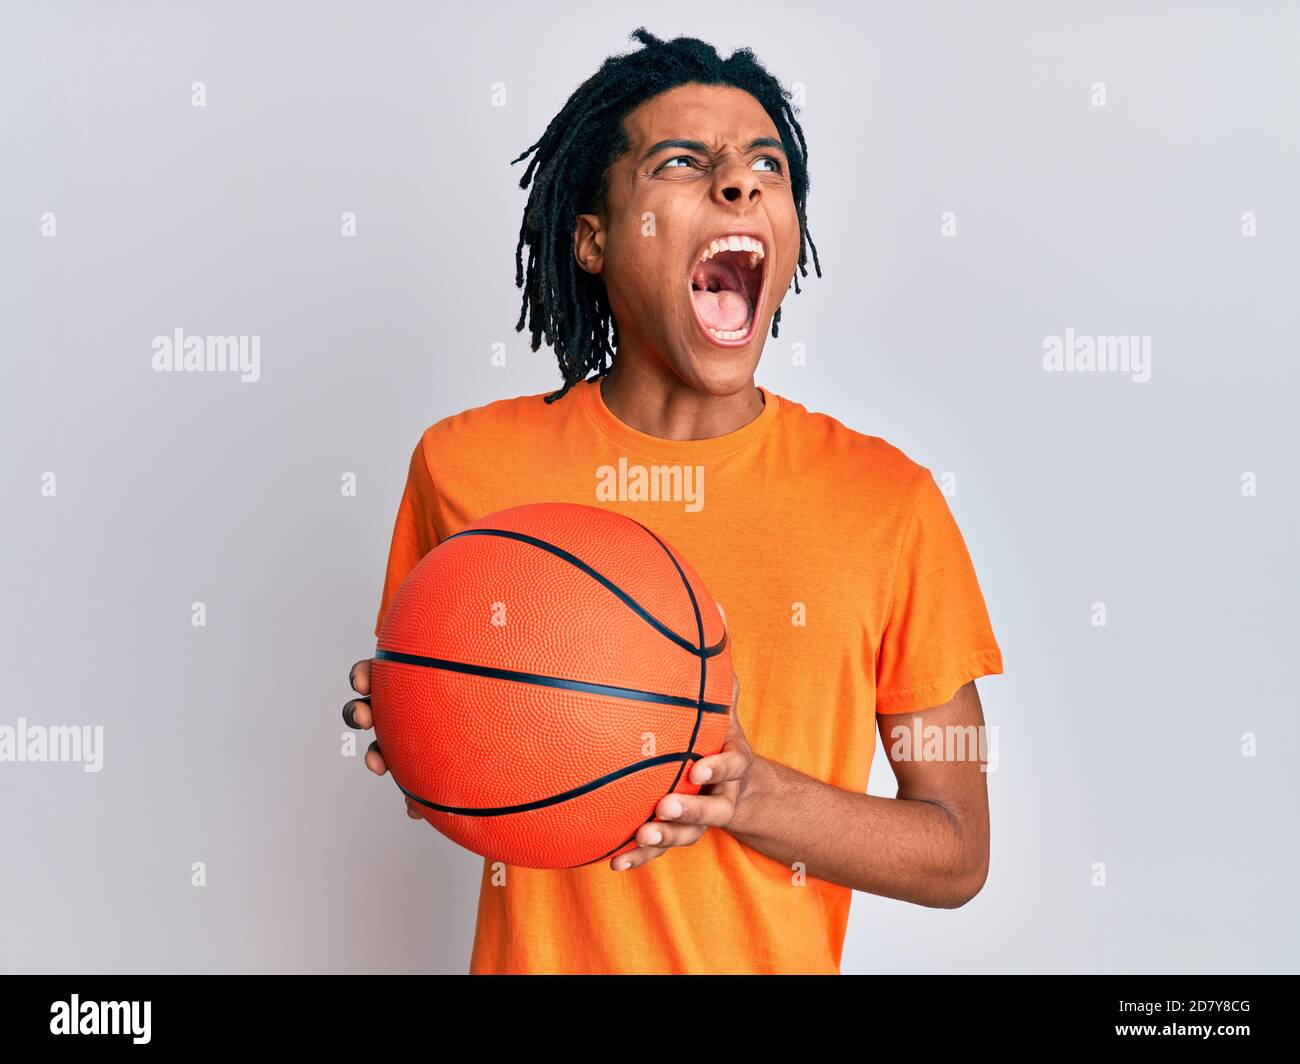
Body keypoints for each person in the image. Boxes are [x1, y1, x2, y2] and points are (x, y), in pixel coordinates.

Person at [342, 27, 1003, 975]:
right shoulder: (464, 466)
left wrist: (748, 793)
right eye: (683, 162)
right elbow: (465, 763)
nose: (739, 182)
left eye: (765, 164)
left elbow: (957, 851)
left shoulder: (886, 504)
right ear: (593, 238)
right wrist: (427, 725)